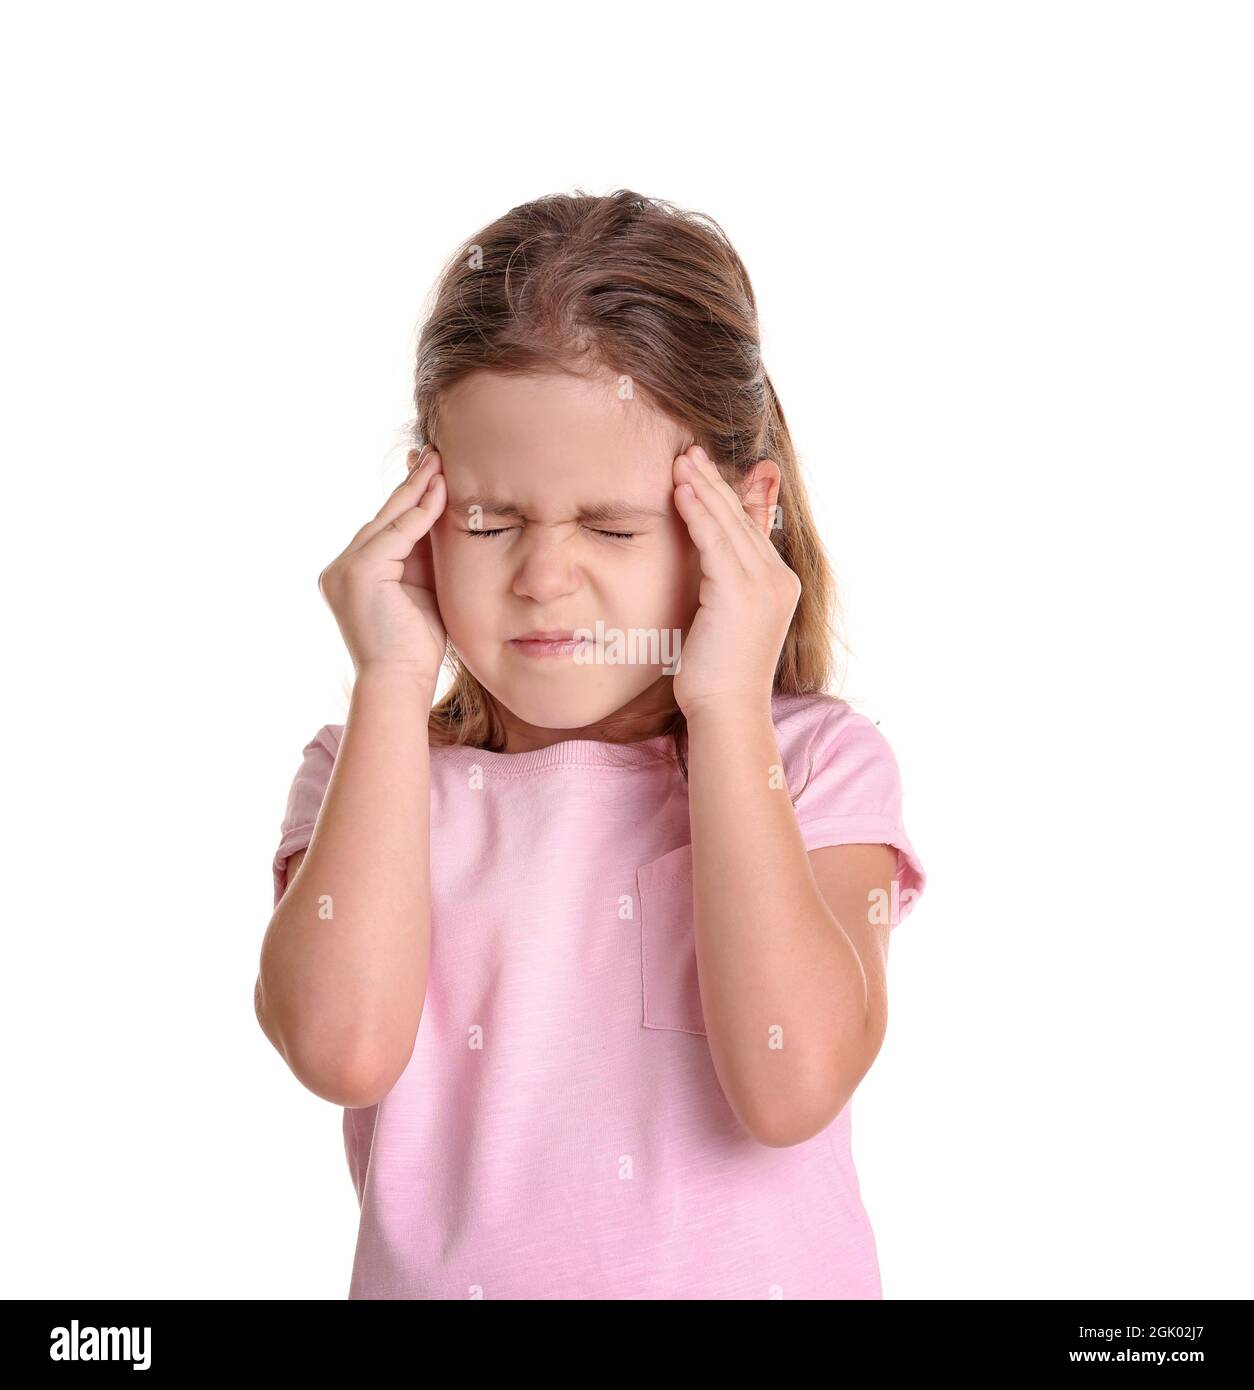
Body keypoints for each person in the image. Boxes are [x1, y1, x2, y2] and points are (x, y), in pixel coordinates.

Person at [255, 189, 927, 1300]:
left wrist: (726, 713)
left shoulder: (812, 767)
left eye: (613, 526)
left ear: (742, 513)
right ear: (420, 510)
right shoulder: (367, 777)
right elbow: (341, 1048)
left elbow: (789, 1079)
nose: (545, 574)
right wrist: (388, 683)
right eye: (489, 519)